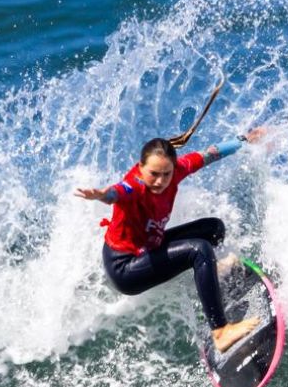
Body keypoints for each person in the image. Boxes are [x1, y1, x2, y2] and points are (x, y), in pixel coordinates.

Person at [75, 128, 266, 353]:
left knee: (213, 228)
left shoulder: (177, 170)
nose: (160, 181)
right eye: (153, 173)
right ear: (140, 167)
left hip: (148, 248)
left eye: (166, 174)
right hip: (125, 268)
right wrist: (101, 195)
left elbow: (210, 154)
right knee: (199, 249)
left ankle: (211, 275)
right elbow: (116, 193)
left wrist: (244, 140)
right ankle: (221, 331)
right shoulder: (133, 186)